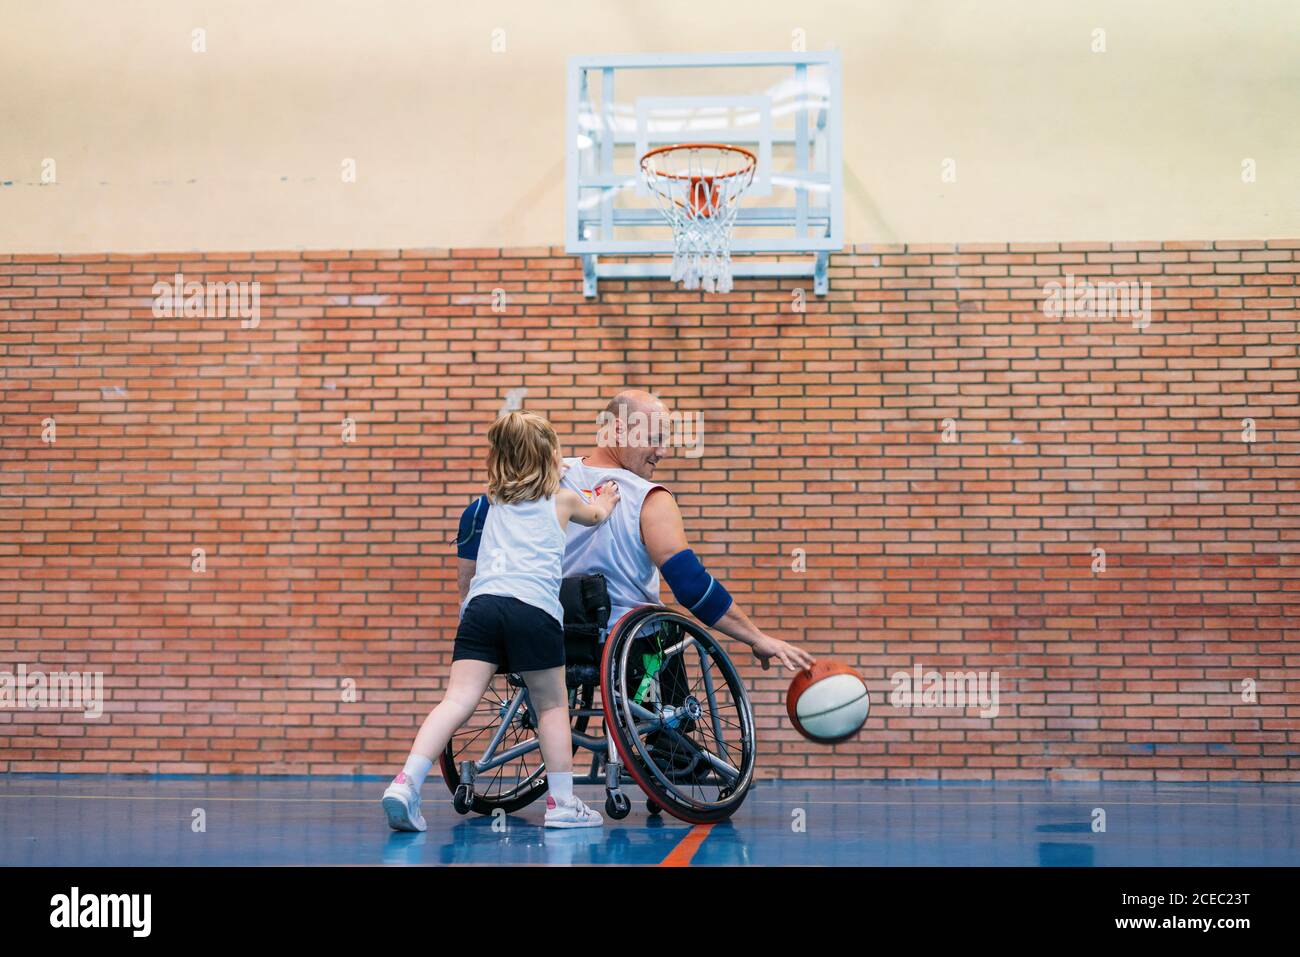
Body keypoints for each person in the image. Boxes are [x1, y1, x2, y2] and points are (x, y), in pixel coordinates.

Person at [456, 389, 814, 673]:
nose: (663, 451)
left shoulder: (544, 474)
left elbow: (475, 518)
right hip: (625, 644)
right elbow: (689, 584)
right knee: (668, 633)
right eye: (655, 439)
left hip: (544, 631)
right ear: (617, 430)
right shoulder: (649, 498)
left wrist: (469, 601)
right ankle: (671, 746)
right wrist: (755, 637)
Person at [382, 410, 620, 831]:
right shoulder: (562, 499)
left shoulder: (493, 501)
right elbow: (597, 515)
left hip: (482, 607)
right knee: (551, 706)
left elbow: (519, 464)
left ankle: (406, 782)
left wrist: (537, 459)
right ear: (552, 459)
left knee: (456, 701)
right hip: (532, 609)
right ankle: (562, 803)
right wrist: (604, 498)